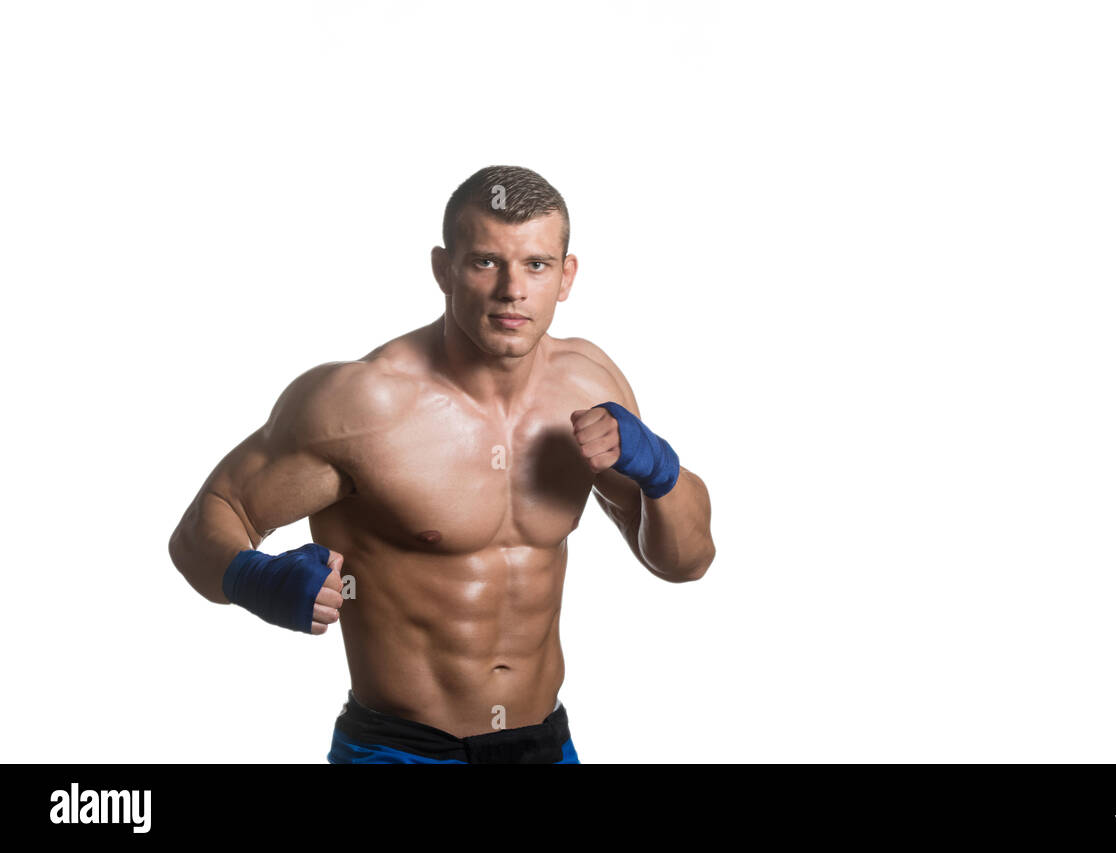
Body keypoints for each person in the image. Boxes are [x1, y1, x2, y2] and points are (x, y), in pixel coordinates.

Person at [168, 164, 715, 763]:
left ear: (566, 276)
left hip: (544, 745)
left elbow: (686, 562)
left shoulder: (587, 385)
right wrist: (250, 577)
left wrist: (660, 471)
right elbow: (203, 528)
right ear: (443, 269)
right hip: (401, 751)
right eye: (486, 261)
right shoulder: (362, 404)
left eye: (536, 264)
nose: (513, 289)